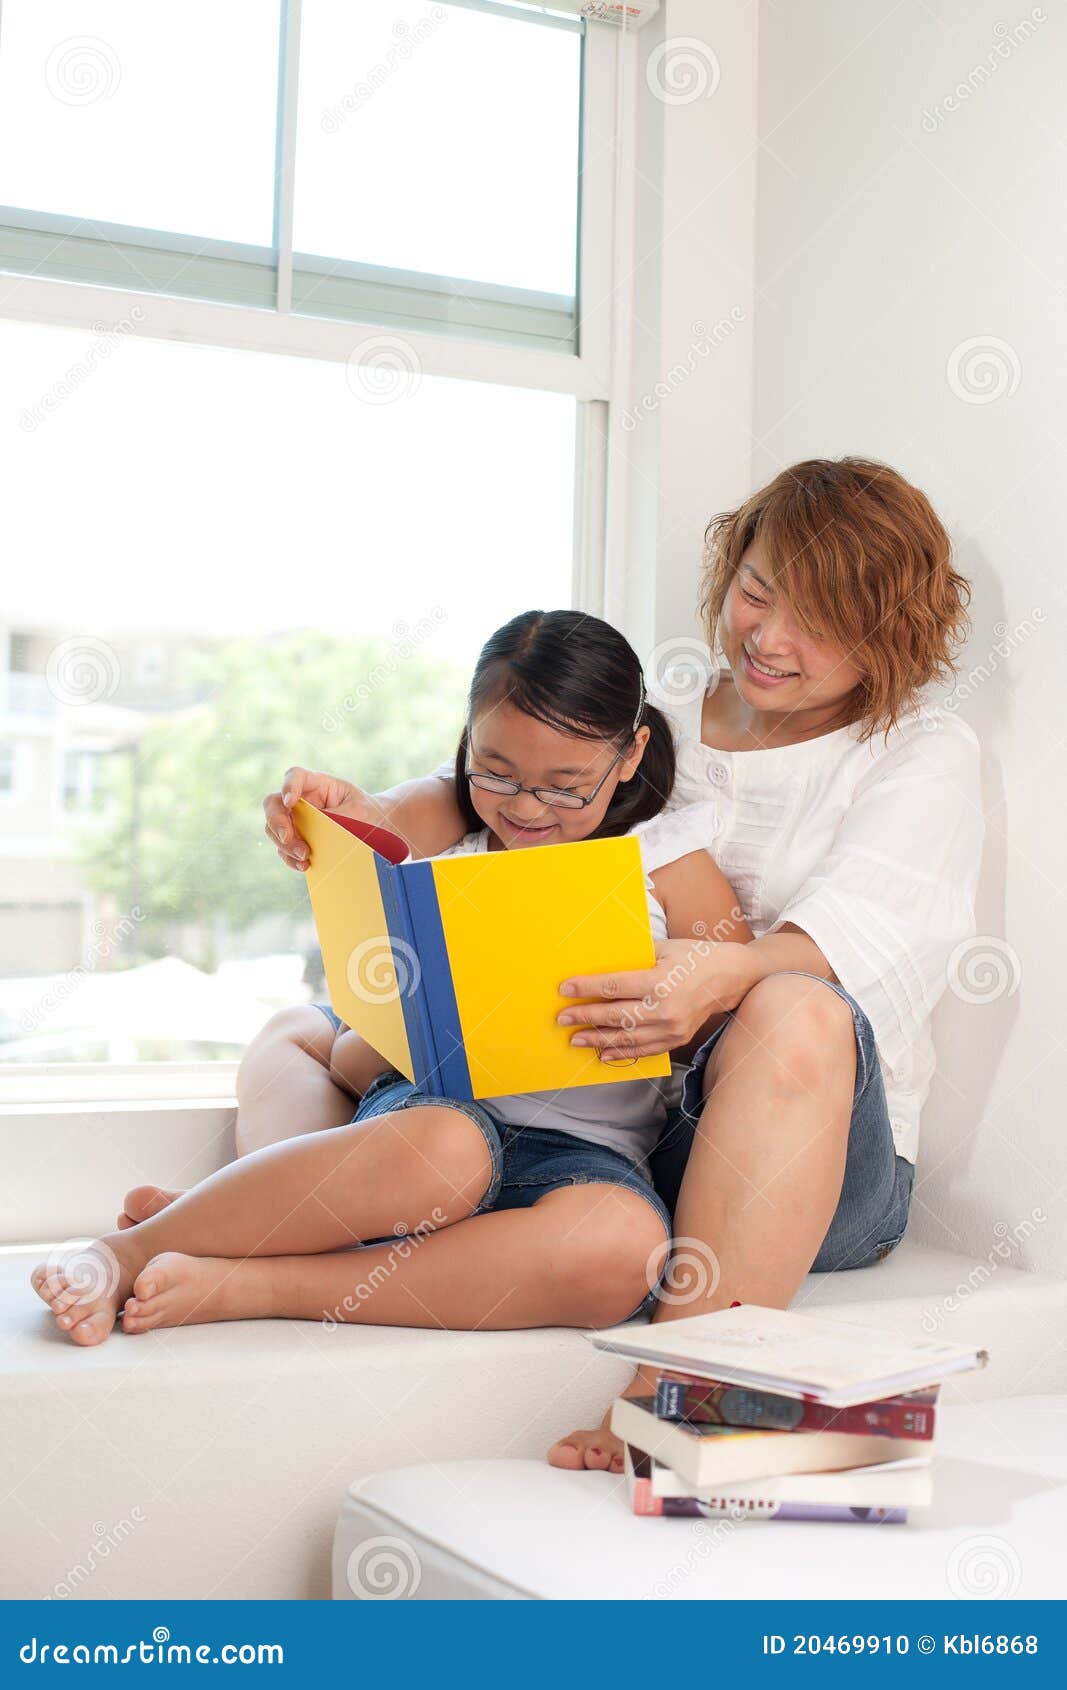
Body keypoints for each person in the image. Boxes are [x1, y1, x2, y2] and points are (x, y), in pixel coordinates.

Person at [253, 457, 984, 1476]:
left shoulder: (918, 750)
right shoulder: (663, 715)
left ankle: (676, 1392)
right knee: (319, 1034)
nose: (769, 639)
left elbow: (848, 944)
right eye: (756, 594)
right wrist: (366, 819)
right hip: (633, 1129)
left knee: (792, 1003)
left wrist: (709, 973)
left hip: (814, 1166)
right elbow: (495, 784)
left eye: (817, 622)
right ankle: (276, 1214)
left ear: (889, 628)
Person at [34, 611, 748, 1345]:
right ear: (468, 740)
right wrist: (320, 818)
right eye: (496, 772)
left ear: (628, 756)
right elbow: (375, 823)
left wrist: (676, 1004)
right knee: (443, 1147)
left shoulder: (663, 858)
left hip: (580, 1156)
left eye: (566, 787)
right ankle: (133, 1251)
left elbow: (729, 1011)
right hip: (427, 1123)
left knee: (624, 1251)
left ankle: (254, 1276)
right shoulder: (454, 830)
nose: (527, 808)